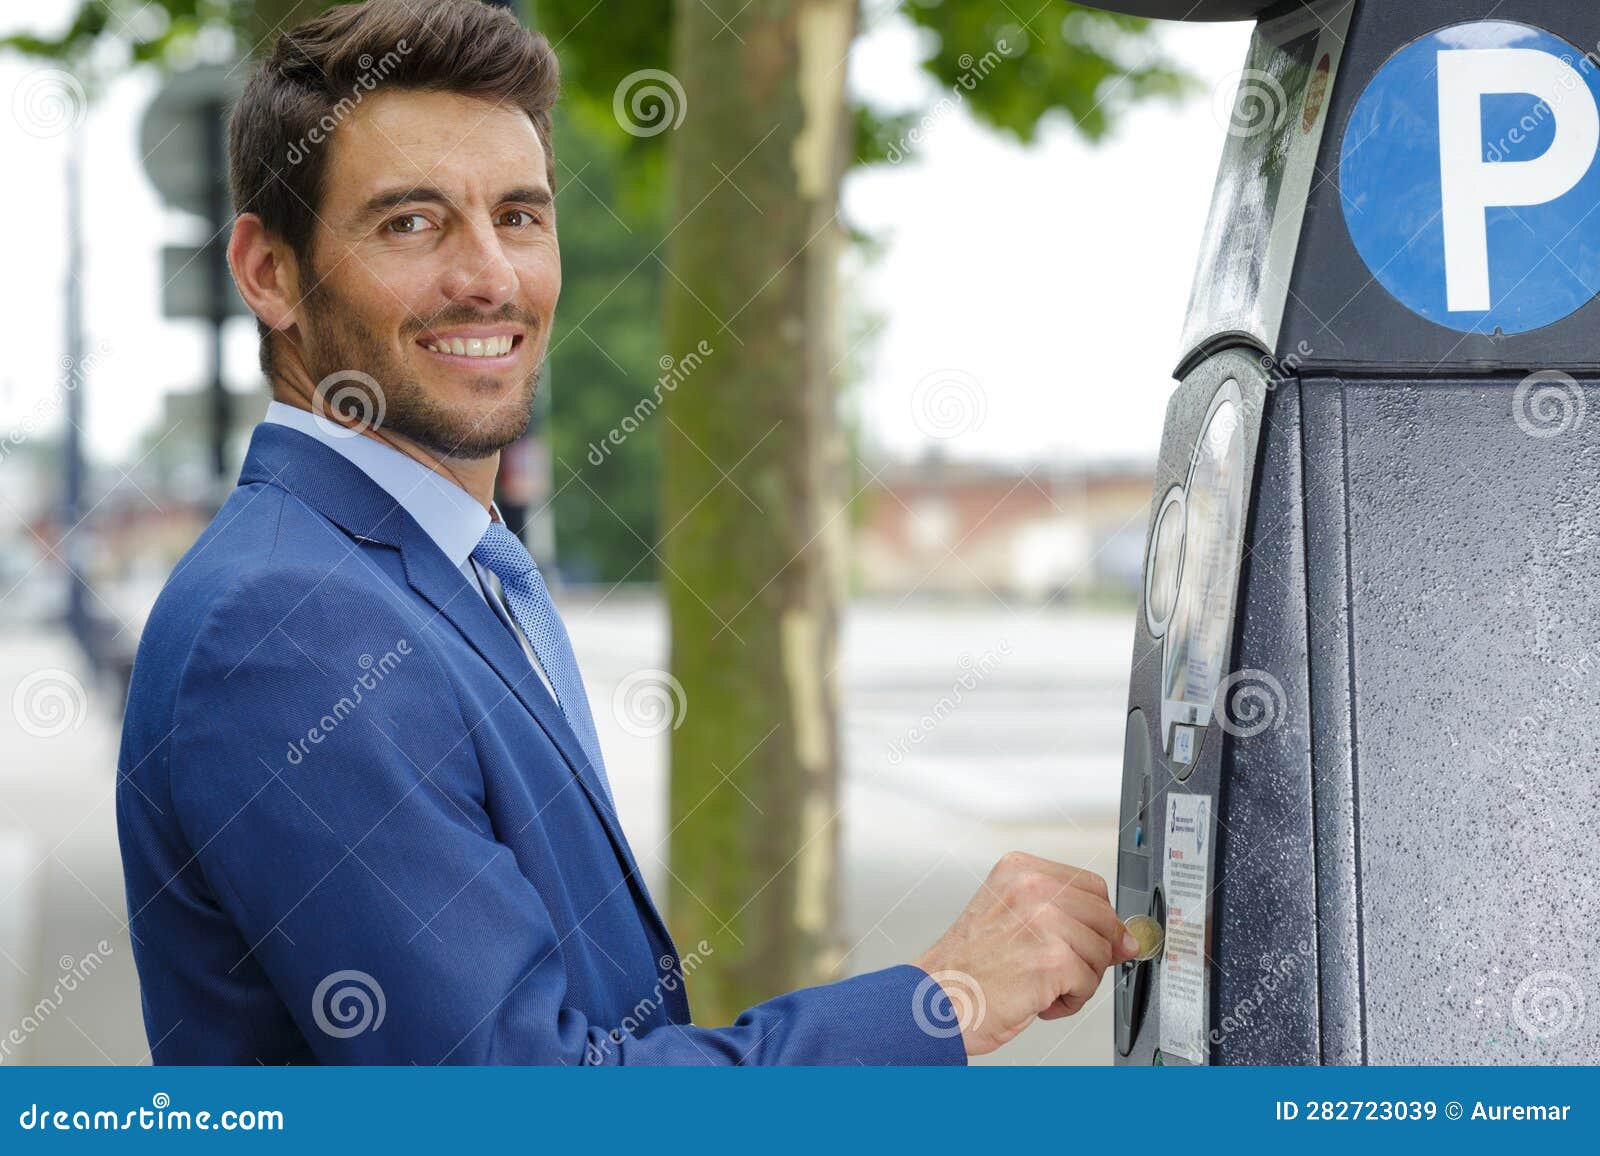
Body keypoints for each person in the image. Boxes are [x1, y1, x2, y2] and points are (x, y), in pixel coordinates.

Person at [116, 0, 1140, 1065]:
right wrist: (947, 999)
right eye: (410, 222)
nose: (489, 276)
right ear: (268, 272)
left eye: (518, 215)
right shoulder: (288, 624)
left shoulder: (461, 573)